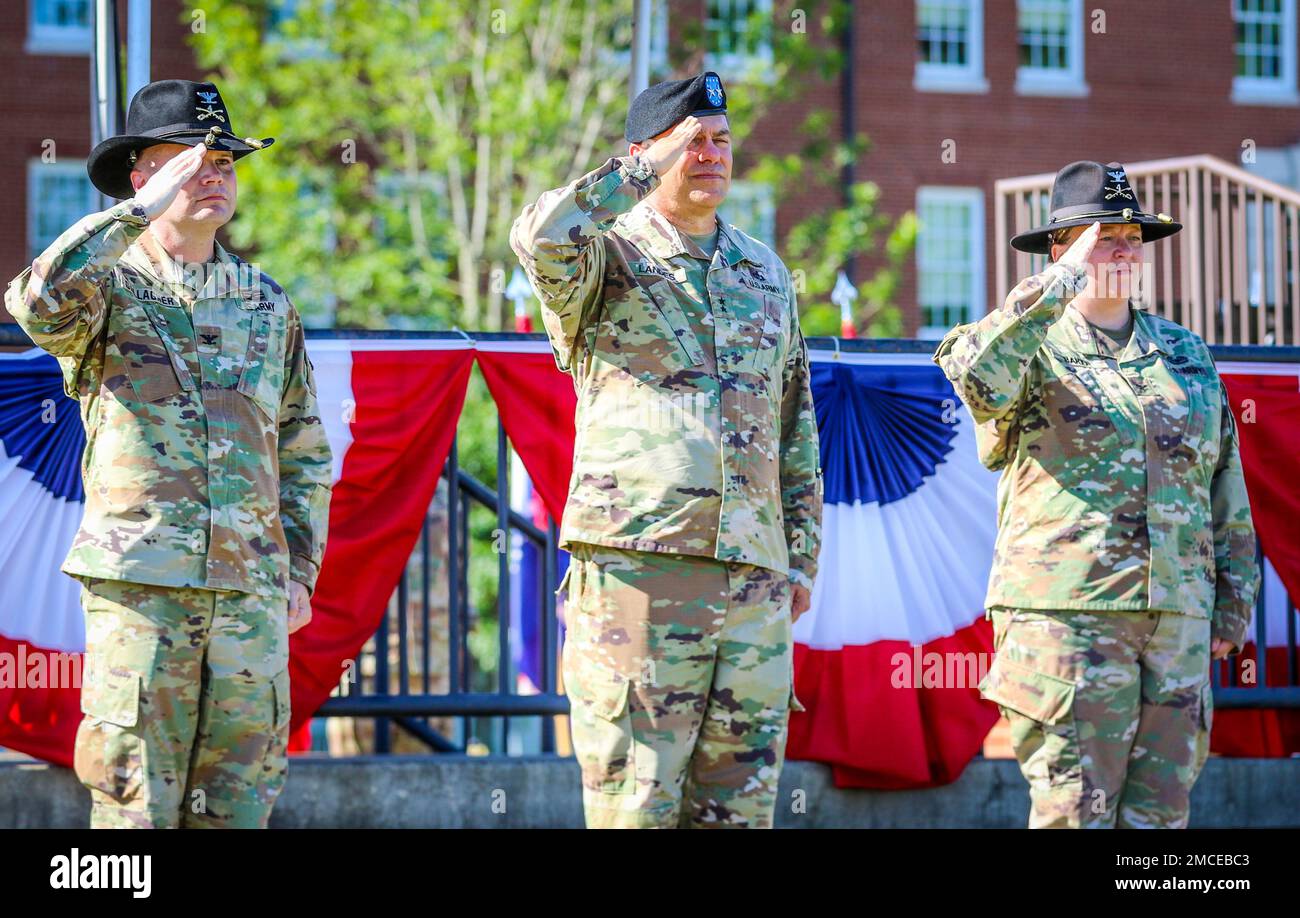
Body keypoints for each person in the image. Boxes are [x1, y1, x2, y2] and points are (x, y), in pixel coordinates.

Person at [5, 79, 332, 828]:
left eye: (225, 160)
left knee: (240, 807)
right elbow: (34, 301)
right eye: (190, 159)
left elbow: (303, 449)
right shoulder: (106, 291)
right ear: (141, 175)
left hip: (249, 597)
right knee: (134, 809)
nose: (212, 173)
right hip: (142, 594)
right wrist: (134, 219)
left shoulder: (265, 301)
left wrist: (299, 575)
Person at [510, 71, 823, 828]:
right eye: (691, 142)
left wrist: (800, 557)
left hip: (751, 580)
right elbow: (539, 236)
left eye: (721, 140)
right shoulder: (606, 257)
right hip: (639, 574)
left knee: (739, 813)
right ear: (646, 153)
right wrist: (639, 174)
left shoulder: (763, 271)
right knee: (636, 807)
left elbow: (795, 425)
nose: (712, 154)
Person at [934, 160, 1260, 829]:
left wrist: (1231, 602)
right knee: (1074, 813)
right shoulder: (1028, 344)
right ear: (1061, 245)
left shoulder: (1183, 351)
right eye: (1101, 235)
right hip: (1067, 620)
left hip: (1175, 618)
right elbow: (975, 377)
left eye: (1131, 236)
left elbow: (1223, 478)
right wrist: (1059, 281)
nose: (1122, 248)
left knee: (1161, 817)